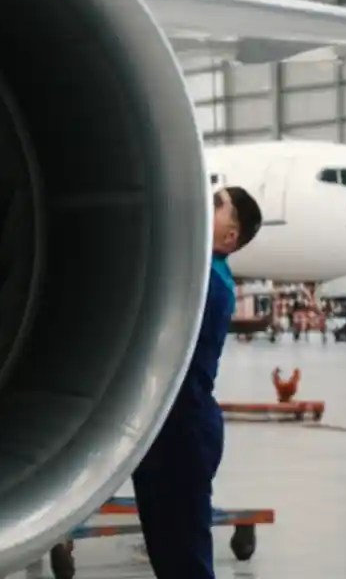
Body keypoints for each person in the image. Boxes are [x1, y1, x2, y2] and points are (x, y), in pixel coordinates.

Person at [132, 185, 262, 578]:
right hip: (167, 426)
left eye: (218, 204)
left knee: (184, 559)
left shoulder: (208, 283)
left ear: (229, 237)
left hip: (182, 430)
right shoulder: (203, 274)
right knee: (167, 550)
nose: (207, 202)